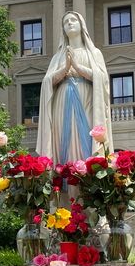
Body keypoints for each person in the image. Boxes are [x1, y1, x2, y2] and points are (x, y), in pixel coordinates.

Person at [37, 11, 113, 165]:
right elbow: (47, 81)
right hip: (62, 102)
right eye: (66, 22)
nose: (69, 23)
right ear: (63, 30)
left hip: (87, 100)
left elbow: (102, 79)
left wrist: (77, 67)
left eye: (73, 20)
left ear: (81, 25)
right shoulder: (58, 57)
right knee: (63, 139)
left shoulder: (93, 53)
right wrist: (65, 68)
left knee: (84, 136)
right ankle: (65, 177)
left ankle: (87, 177)